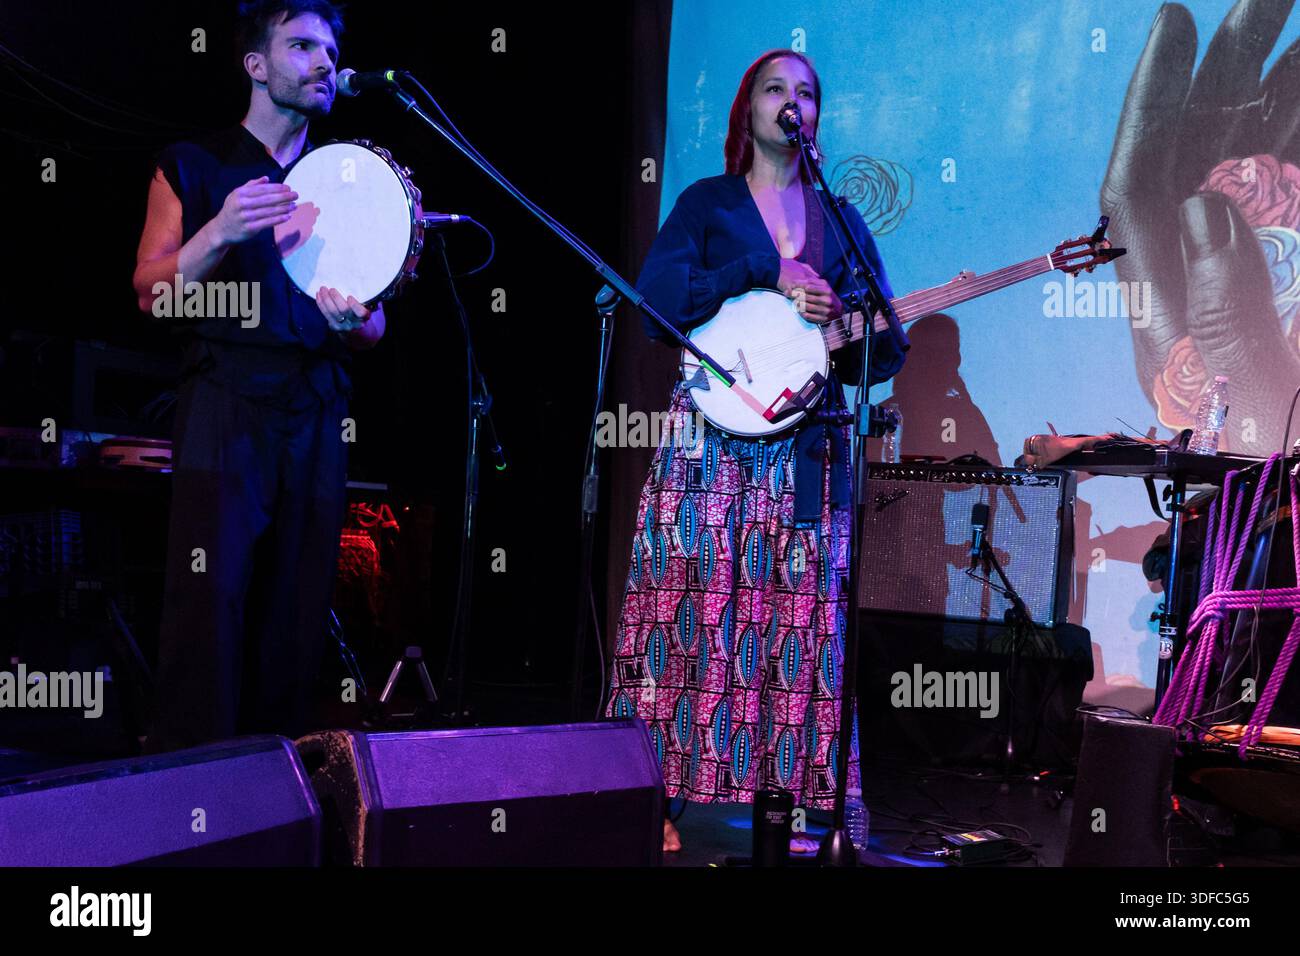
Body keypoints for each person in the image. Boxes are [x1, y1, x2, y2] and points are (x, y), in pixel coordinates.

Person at [605, 49, 906, 852]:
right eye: (776, 88)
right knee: (683, 604)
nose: (792, 102)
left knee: (799, 623)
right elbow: (657, 304)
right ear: (747, 110)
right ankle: (651, 802)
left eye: (807, 93)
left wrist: (840, 317)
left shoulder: (841, 217)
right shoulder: (707, 204)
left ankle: (799, 812)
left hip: (803, 451)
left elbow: (887, 352)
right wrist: (763, 271)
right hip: (707, 446)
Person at [132, 0, 384, 752]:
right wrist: (220, 232)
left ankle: (282, 790)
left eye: (331, 52)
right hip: (227, 402)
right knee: (209, 601)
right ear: (255, 64)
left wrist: (355, 322)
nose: (323, 64)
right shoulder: (196, 163)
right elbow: (151, 292)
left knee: (297, 608)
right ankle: (194, 788)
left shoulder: (348, 180)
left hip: (316, 405)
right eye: (301, 45)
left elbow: (376, 324)